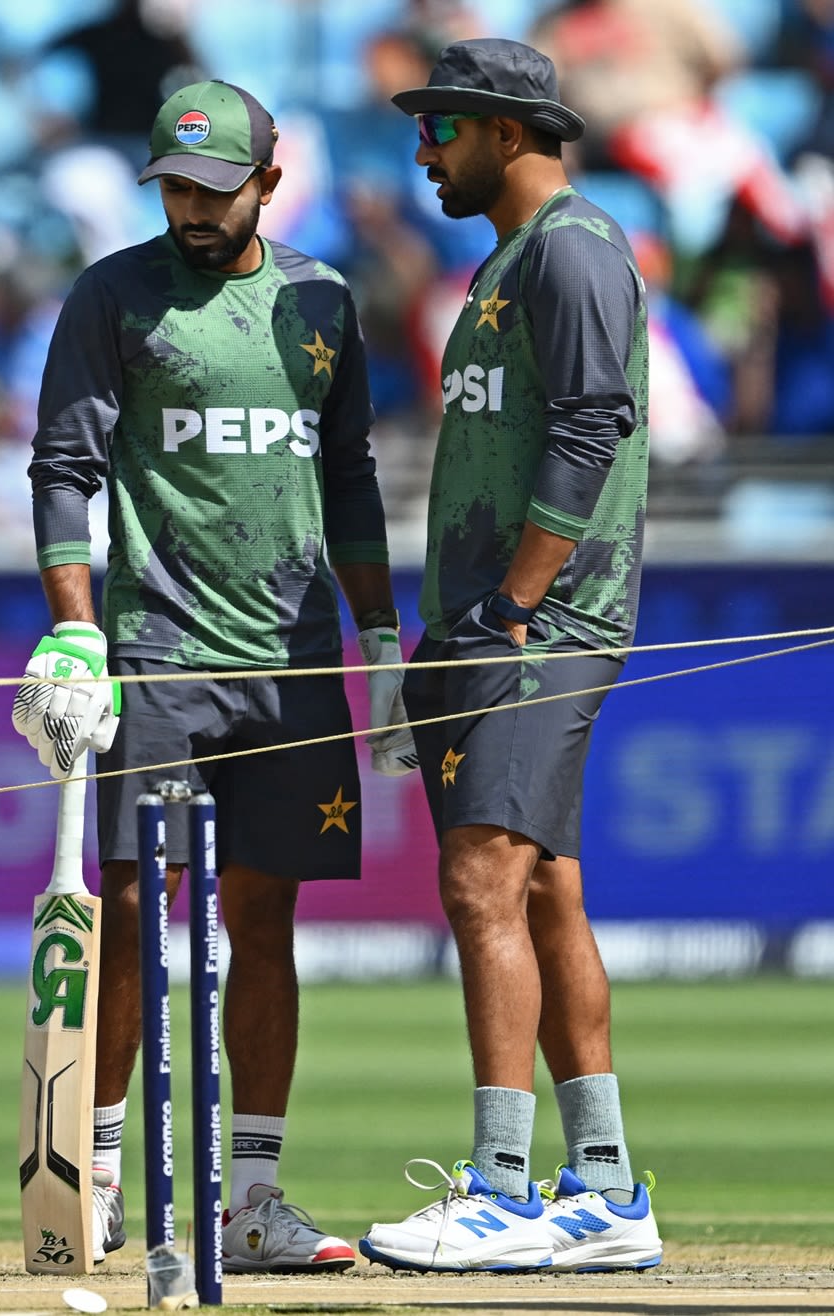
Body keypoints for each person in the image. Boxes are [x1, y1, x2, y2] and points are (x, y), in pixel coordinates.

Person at [12, 80, 417, 1274]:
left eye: (211, 188)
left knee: (263, 917)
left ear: (268, 184)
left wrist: (381, 637)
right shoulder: (113, 292)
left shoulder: (320, 302)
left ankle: (250, 1195)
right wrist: (74, 630)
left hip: (291, 661)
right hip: (159, 646)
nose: (189, 209)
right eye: (173, 187)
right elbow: (61, 467)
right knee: (135, 910)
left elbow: (347, 479)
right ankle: (91, 1168)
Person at [356, 39, 662, 1274]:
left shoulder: (574, 251)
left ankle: (495, 1184)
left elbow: (595, 421)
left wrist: (520, 601)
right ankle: (601, 1186)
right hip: (489, 622)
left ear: (508, 129)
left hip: (541, 624)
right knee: (541, 888)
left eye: (441, 127)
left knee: (480, 879)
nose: (423, 149)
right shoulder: (502, 263)